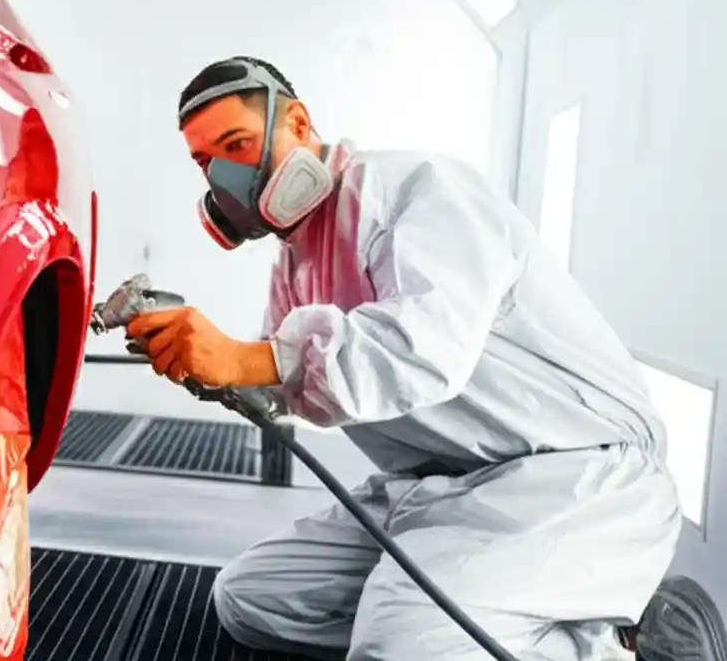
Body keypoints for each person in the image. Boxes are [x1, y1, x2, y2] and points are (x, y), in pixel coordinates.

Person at [126, 56, 724, 661]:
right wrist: (212, 370)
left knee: (399, 645)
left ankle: (624, 646)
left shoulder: (420, 191)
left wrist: (246, 359)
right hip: (433, 489)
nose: (224, 176)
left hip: (574, 480)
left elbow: (421, 351)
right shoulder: (295, 261)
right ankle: (521, 615)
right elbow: (284, 379)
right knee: (252, 600)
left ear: (299, 123)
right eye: (206, 163)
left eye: (237, 145)